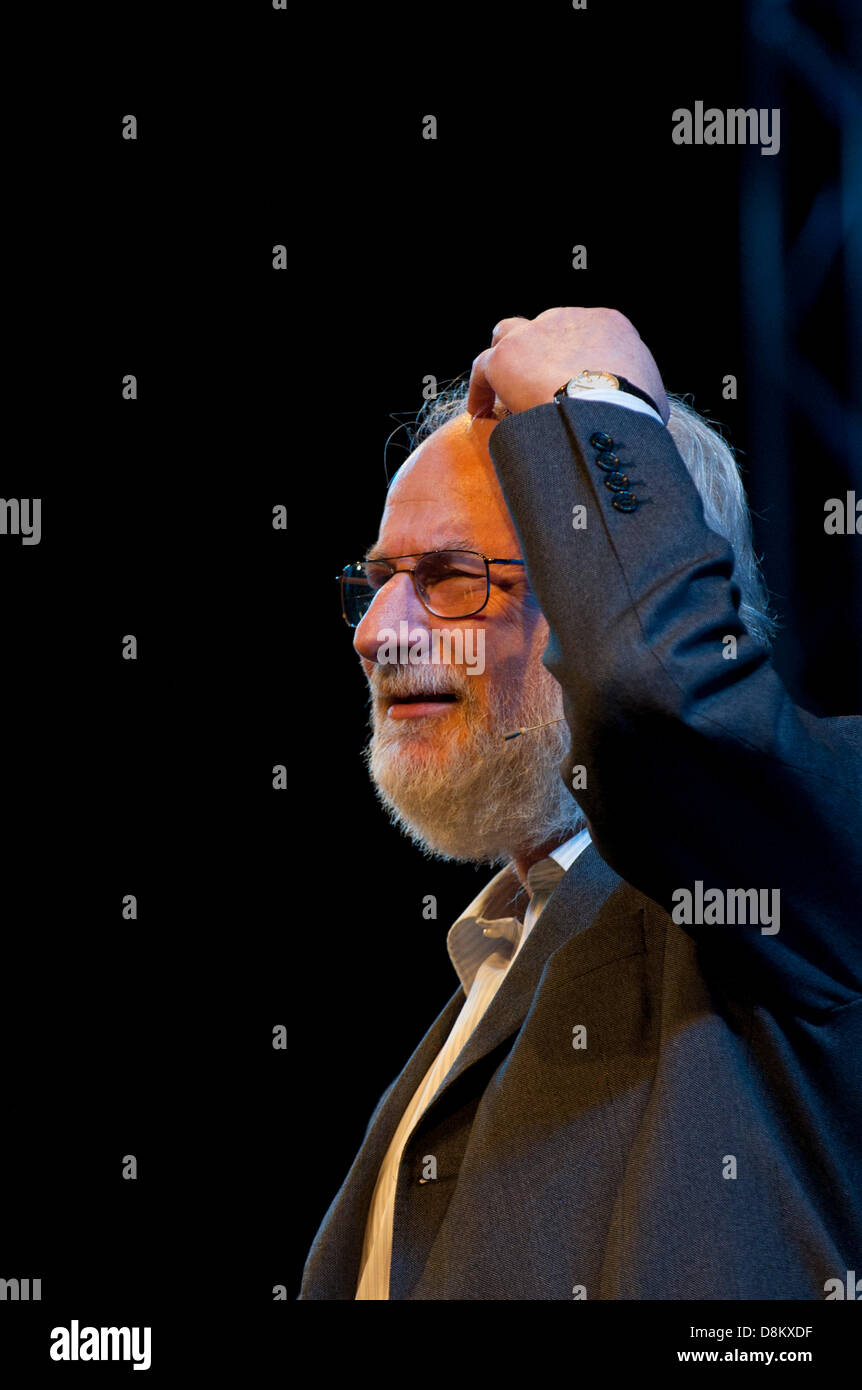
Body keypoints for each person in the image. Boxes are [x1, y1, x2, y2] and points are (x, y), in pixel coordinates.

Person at [299, 308, 862, 1301]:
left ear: (612, 581)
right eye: (380, 580)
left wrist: (591, 407)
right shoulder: (495, 958)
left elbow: (659, 698)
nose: (376, 632)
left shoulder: (776, 887)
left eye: (448, 579)